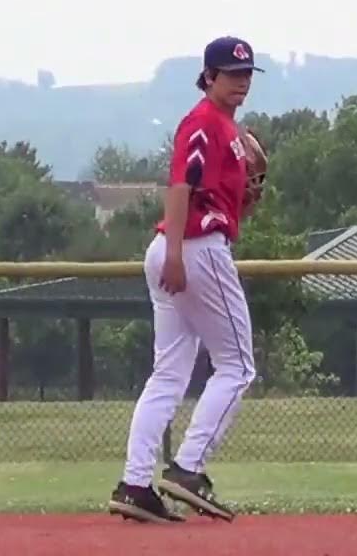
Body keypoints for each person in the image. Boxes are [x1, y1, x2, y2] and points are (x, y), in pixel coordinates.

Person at [107, 35, 265, 524]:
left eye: (245, 74)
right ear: (209, 76)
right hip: (194, 249)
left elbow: (230, 194)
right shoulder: (202, 122)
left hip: (182, 249)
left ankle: (135, 486)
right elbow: (181, 186)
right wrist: (176, 252)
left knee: (170, 374)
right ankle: (187, 469)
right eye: (230, 73)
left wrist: (249, 173)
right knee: (237, 367)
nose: (239, 81)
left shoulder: (225, 128)